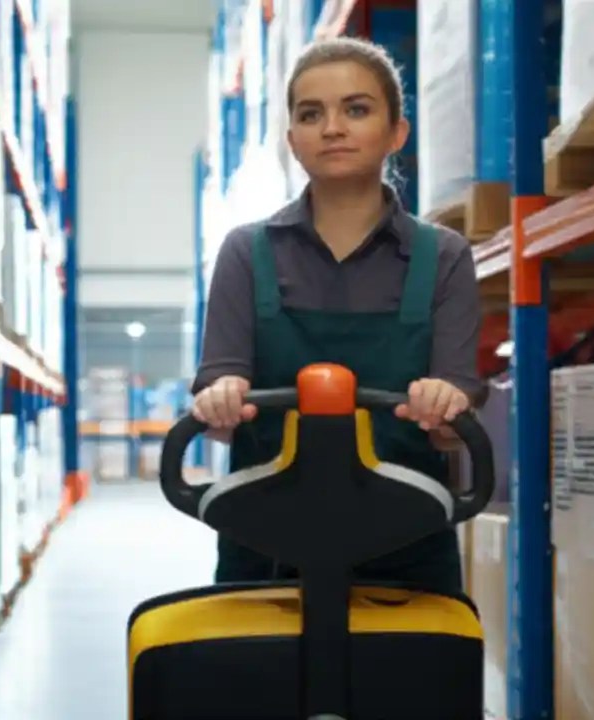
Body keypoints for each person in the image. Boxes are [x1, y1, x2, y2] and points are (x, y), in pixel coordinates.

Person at [189, 37, 482, 595]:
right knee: (256, 682)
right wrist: (221, 396)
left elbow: (455, 412)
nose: (332, 127)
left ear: (397, 132)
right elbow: (219, 393)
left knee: (411, 684)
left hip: (408, 540)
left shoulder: (443, 256)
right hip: (265, 540)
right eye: (310, 114)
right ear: (292, 140)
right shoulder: (245, 253)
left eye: (356, 109)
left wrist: (444, 403)